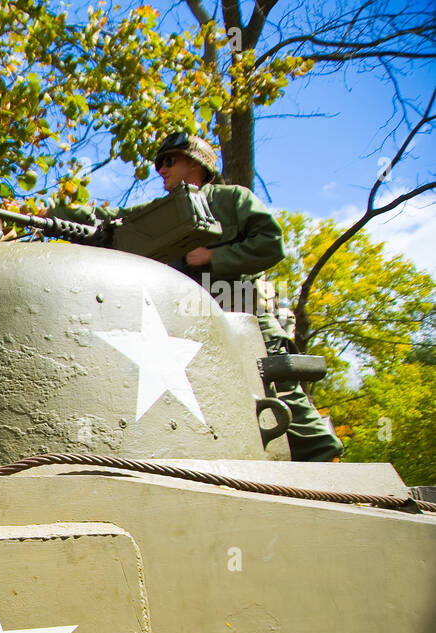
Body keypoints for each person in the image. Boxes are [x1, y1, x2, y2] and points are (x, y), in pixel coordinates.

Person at [53, 131, 342, 462]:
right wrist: (58, 216)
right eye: (159, 163)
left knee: (278, 392)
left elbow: (271, 244)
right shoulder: (164, 214)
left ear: (196, 162)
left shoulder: (232, 200)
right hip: (197, 327)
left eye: (169, 160)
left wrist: (214, 257)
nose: (160, 169)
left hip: (246, 314)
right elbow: (114, 221)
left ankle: (328, 463)